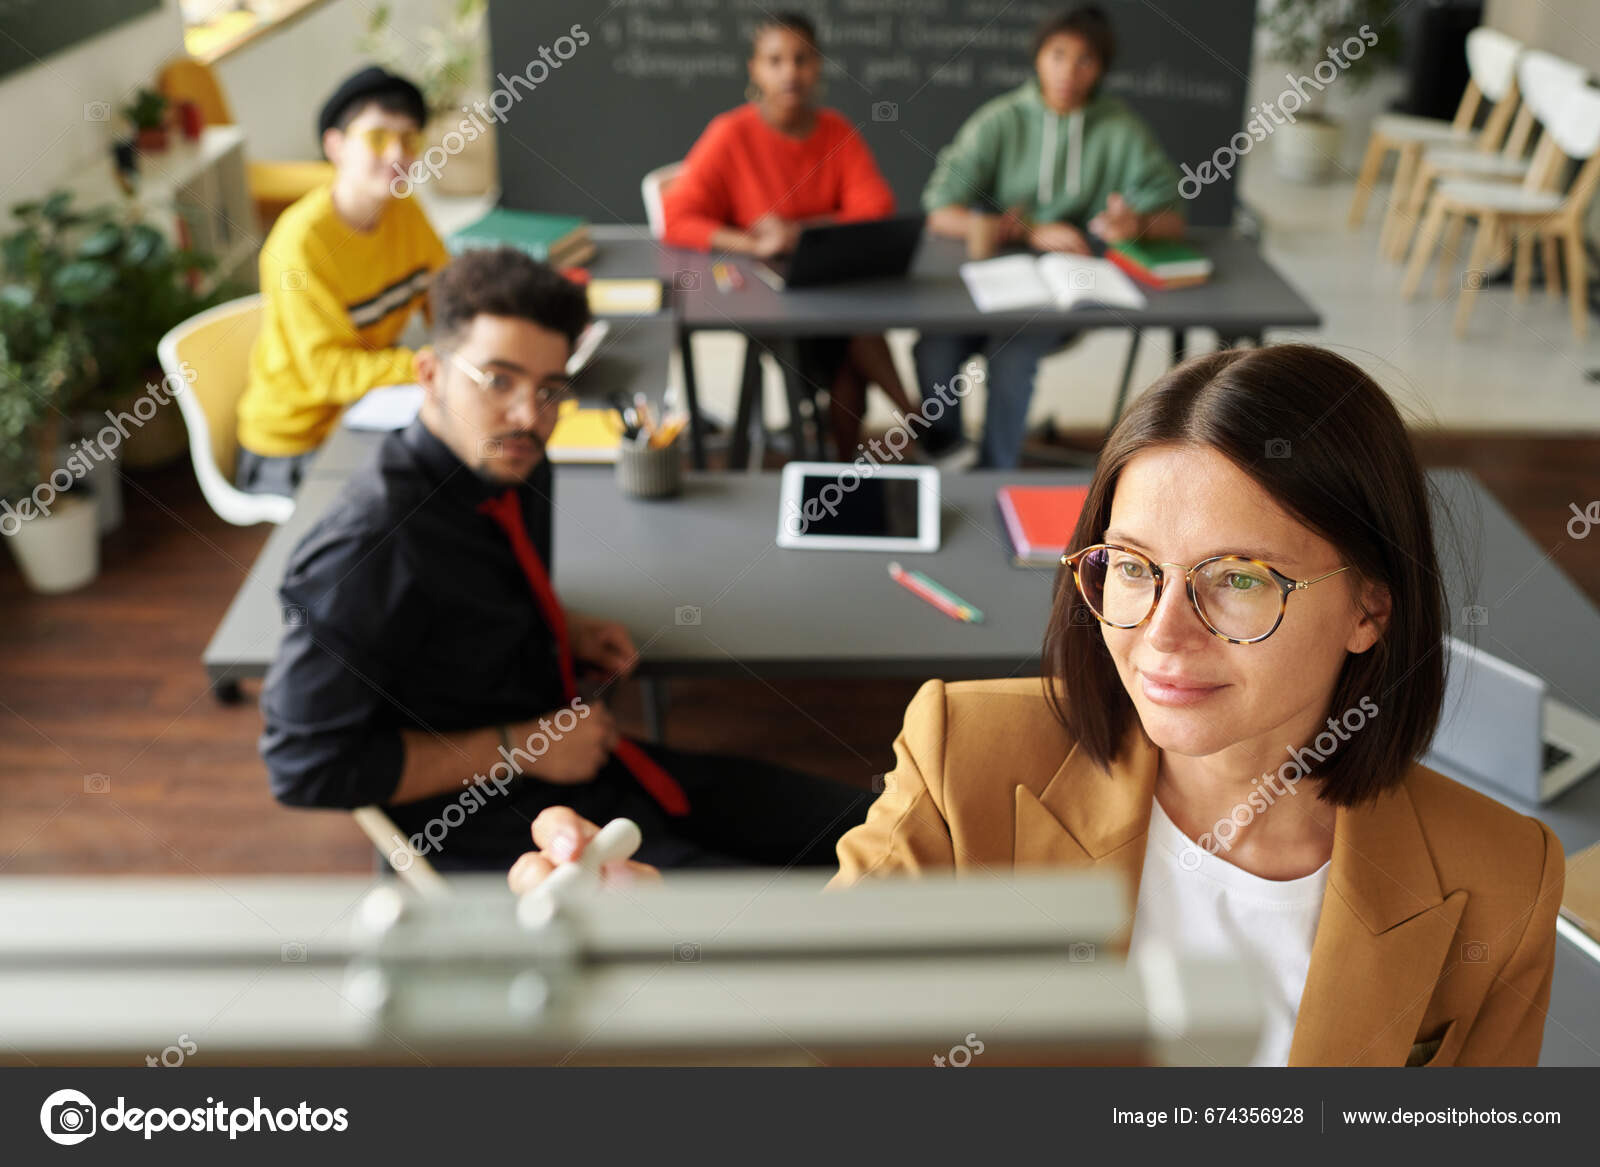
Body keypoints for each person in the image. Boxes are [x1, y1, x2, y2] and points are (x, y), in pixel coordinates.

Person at [509, 343, 1564, 1067]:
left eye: (1237, 577)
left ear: (1371, 608)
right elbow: (818, 1024)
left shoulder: (1502, 883)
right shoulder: (968, 752)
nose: (1159, 632)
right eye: (1130, 566)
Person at [260, 246, 869, 873]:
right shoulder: (367, 548)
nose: (530, 416)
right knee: (811, 923)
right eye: (497, 380)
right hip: (488, 820)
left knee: (881, 826)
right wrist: (522, 749)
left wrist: (561, 623)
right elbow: (303, 766)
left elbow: (463, 604)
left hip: (586, 764)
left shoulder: (513, 461)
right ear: (430, 374)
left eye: (550, 389)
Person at [915, 5, 1186, 469]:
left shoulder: (1121, 128)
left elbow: (1173, 218)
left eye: (1085, 60)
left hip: (1063, 292)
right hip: (988, 284)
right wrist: (1025, 229)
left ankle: (995, 477)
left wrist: (1134, 224)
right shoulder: (1001, 119)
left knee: (1013, 353)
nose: (1068, 71)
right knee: (933, 347)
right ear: (1037, 57)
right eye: (1057, 55)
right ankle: (949, 454)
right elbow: (940, 210)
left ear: (1100, 69)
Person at [661, 11, 920, 456]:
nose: (790, 73)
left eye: (802, 60)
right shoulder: (730, 134)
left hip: (827, 287)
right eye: (775, 60)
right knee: (858, 335)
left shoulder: (836, 130)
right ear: (755, 70)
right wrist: (754, 243)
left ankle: (860, 456)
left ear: (818, 67)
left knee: (854, 332)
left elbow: (875, 208)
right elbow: (677, 218)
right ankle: (912, 425)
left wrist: (797, 231)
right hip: (763, 298)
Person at [235, 66, 451, 496]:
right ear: (335, 146)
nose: (396, 155)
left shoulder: (403, 209)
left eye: (409, 140)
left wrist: (482, 340)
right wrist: (431, 366)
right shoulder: (300, 244)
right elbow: (328, 373)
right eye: (376, 138)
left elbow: (446, 293)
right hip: (298, 442)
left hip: (367, 411)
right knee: (420, 497)